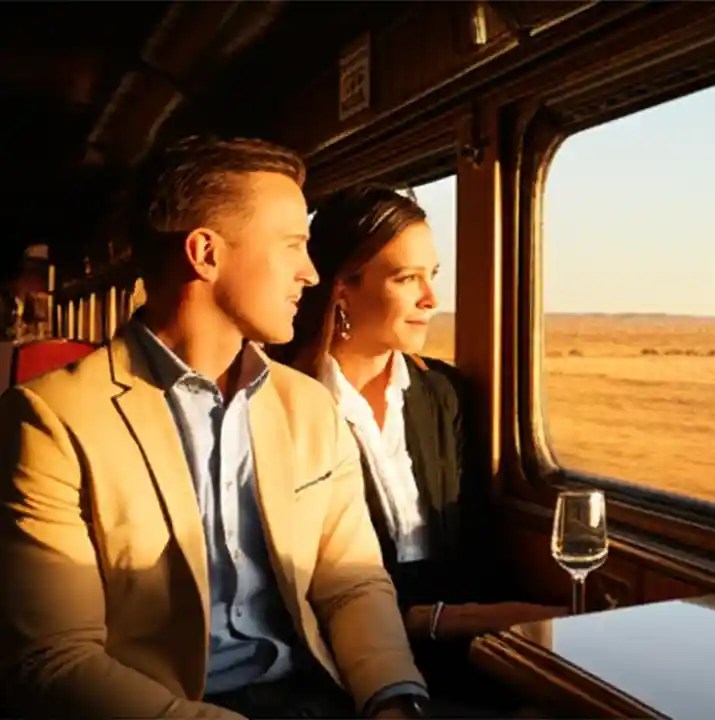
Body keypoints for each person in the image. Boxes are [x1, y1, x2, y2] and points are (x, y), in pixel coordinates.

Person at [0, 137, 431, 719]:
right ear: (205, 254)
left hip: (318, 696)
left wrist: (393, 701)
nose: (310, 272)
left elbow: (350, 583)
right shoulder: (50, 421)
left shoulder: (308, 406)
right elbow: (55, 659)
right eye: (293, 246)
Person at [274, 184, 564, 706]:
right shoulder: (282, 403)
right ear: (343, 288)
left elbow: (475, 548)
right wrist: (444, 619)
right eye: (408, 278)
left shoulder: (442, 396)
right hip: (339, 663)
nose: (431, 299)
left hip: (459, 649)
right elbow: (296, 589)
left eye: (432, 277)